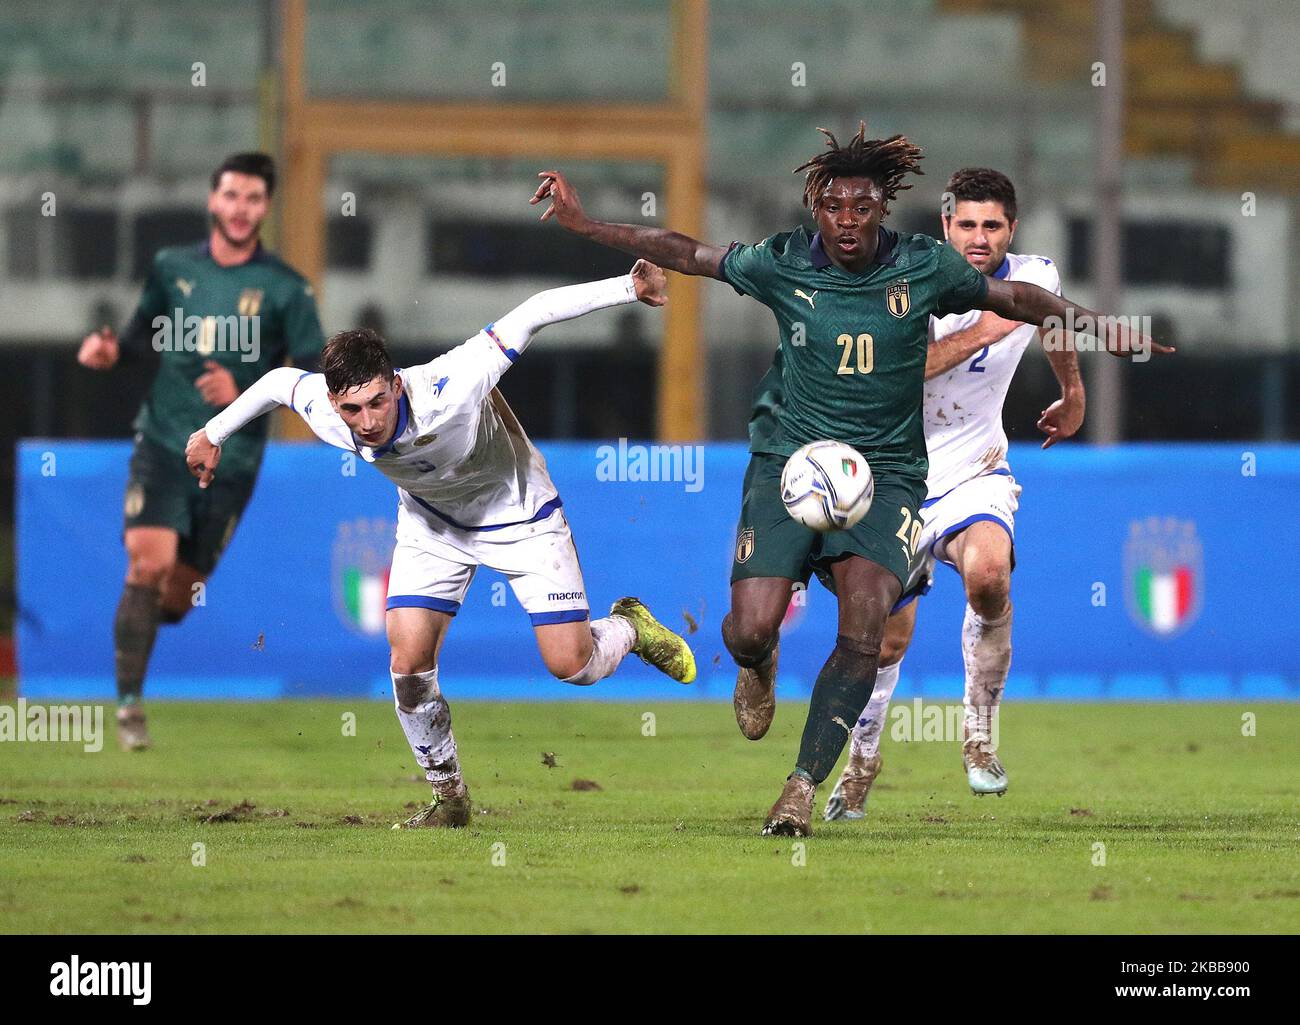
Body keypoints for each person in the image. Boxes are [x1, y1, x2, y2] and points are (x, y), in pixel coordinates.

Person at [531, 123, 1169, 836]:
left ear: (882, 210)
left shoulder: (925, 267)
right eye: (833, 207)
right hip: (788, 463)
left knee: (868, 630)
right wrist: (585, 225)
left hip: (891, 476)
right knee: (746, 630)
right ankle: (758, 662)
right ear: (815, 207)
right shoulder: (782, 263)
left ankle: (803, 786)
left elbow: (1020, 303)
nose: (846, 222)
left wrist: (1102, 328)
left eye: (861, 209)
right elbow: (688, 251)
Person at [184, 260, 696, 828]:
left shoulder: (451, 383)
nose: (368, 420)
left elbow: (534, 312)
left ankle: (629, 626)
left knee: (570, 665)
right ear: (334, 405)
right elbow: (280, 384)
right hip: (432, 525)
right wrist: (213, 432)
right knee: (407, 663)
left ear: (396, 383)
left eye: (377, 401)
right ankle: (449, 799)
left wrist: (629, 287)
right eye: (351, 409)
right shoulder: (331, 416)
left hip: (519, 514)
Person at [823, 167, 1083, 819]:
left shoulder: (1036, 275)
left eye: (991, 225)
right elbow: (895, 370)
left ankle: (978, 737)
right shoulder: (905, 284)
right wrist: (987, 329)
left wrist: (1073, 392)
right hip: (896, 477)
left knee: (990, 574)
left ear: (1011, 230)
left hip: (976, 470)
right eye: (965, 223)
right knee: (885, 638)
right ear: (945, 227)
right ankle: (861, 761)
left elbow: (1052, 323)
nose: (978, 236)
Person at [78, 152, 325, 751]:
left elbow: (318, 374)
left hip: (233, 460)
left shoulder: (287, 289)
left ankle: (137, 628)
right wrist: (111, 353)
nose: (241, 209)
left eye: (254, 199)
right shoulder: (172, 267)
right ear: (213, 200)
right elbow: (139, 340)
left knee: (177, 597)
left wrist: (242, 397)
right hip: (163, 440)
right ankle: (130, 708)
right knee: (147, 563)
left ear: (266, 208)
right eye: (232, 196)